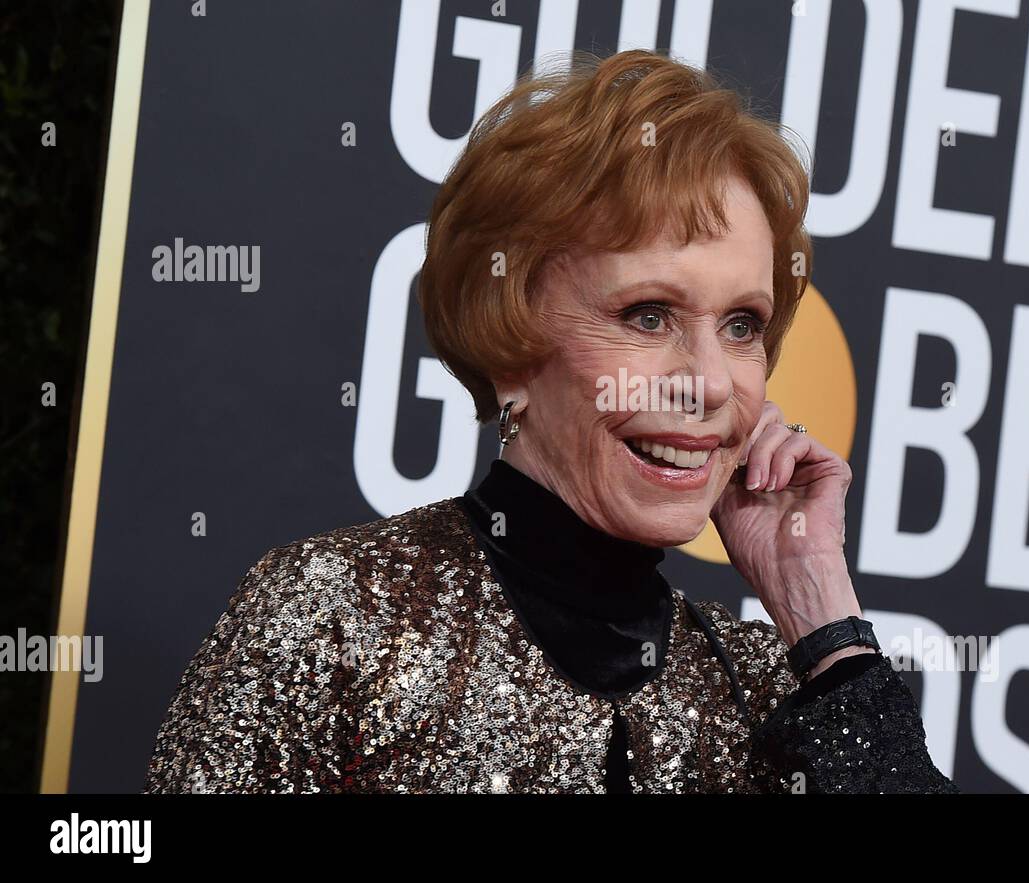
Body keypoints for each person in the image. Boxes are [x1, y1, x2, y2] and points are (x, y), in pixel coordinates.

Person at [143, 49, 956, 795]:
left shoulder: (772, 691)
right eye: (647, 315)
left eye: (742, 324)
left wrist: (819, 608)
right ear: (510, 339)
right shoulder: (333, 618)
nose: (708, 383)